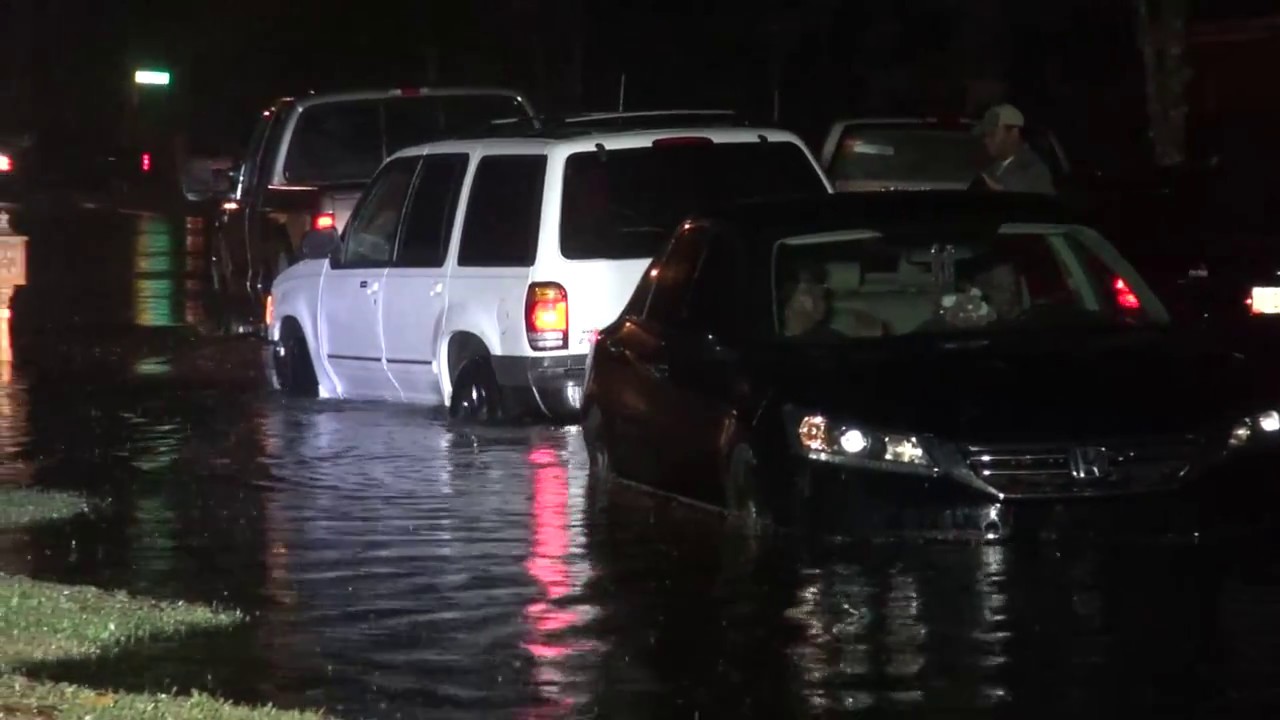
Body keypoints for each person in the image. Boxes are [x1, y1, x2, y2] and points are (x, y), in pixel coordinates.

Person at [973, 104, 1056, 195]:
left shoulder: (1035, 171)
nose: (986, 140)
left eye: (992, 134)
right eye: (985, 135)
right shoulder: (993, 166)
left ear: (1013, 133)